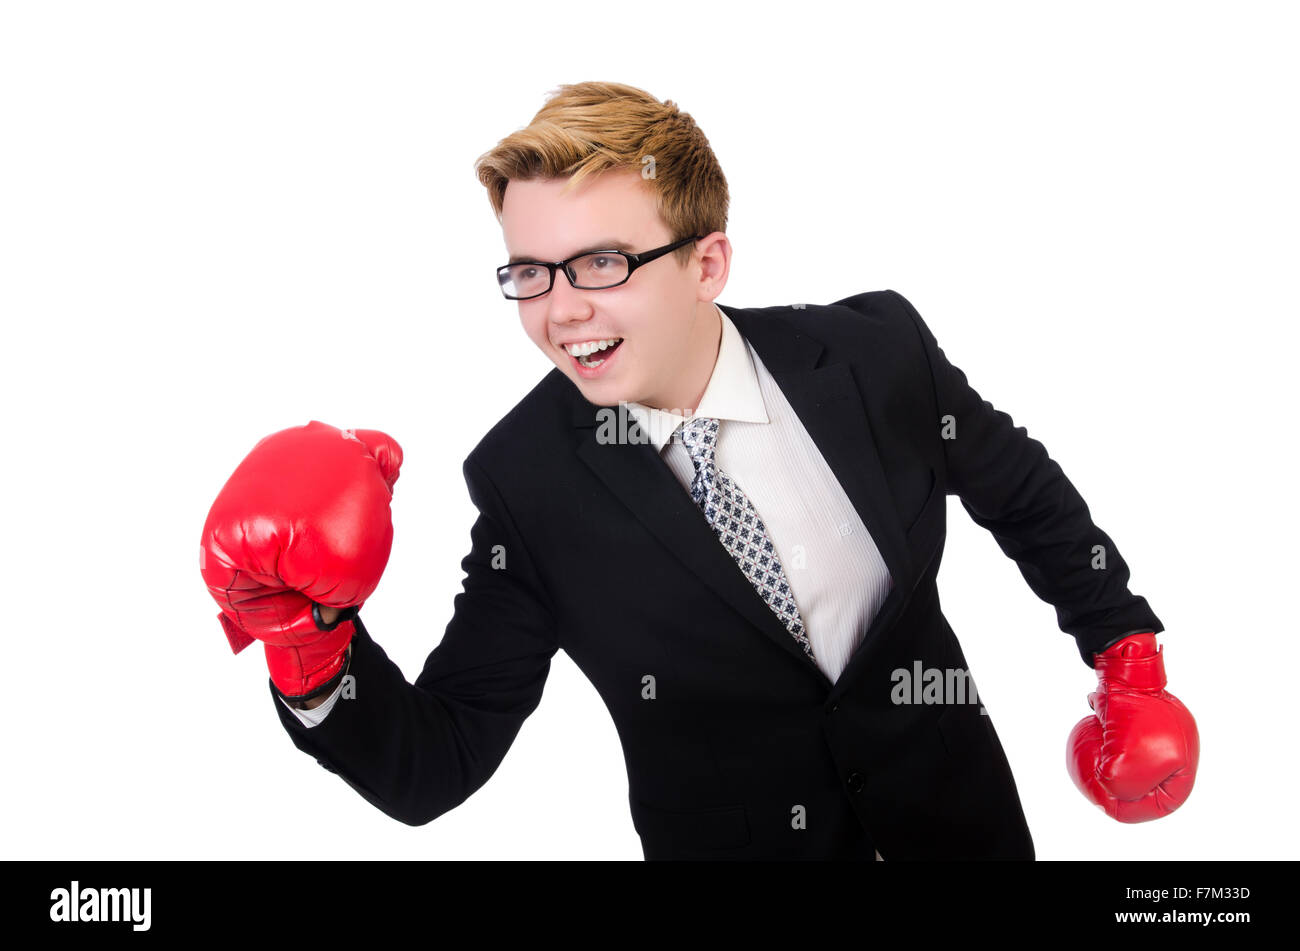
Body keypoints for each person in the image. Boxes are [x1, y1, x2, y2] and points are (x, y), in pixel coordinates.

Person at [199, 81, 1198, 860]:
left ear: (707, 265)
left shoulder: (873, 353)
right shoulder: (527, 482)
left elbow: (1020, 494)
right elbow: (436, 763)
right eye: (529, 274)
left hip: (962, 830)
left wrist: (1126, 657)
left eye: (600, 264)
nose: (561, 311)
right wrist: (311, 652)